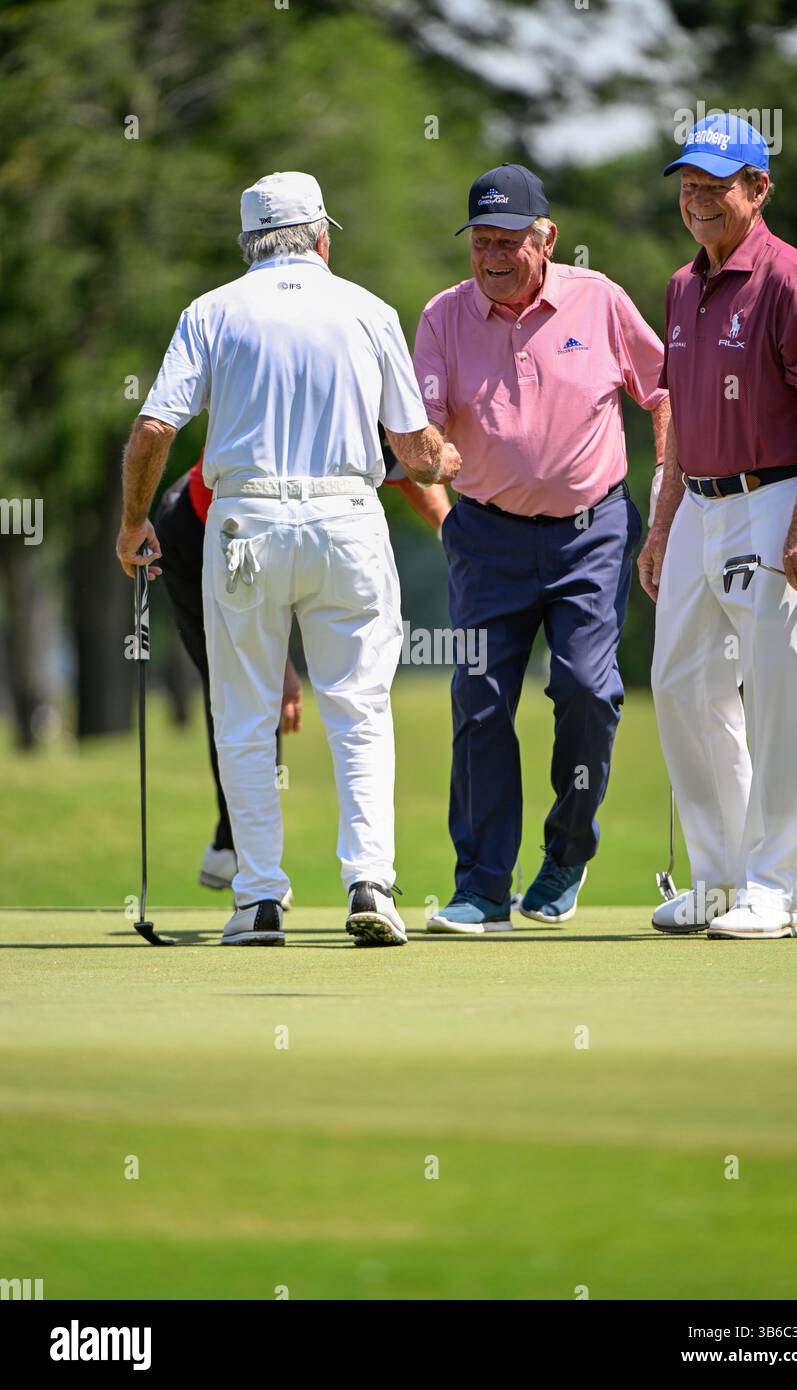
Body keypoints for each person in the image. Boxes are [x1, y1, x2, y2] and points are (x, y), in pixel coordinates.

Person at [116, 170, 459, 947]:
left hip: (246, 525)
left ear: (248, 245)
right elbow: (411, 450)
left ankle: (260, 900)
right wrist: (449, 460)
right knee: (360, 712)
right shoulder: (369, 309)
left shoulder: (212, 310)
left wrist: (134, 522)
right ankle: (370, 882)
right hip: (347, 520)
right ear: (322, 237)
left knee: (241, 717)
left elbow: (153, 431)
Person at [413, 162, 669, 934]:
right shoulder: (443, 316)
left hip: (592, 534)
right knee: (481, 701)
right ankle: (484, 886)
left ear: (546, 237)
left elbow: (664, 393)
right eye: (480, 241)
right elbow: (418, 425)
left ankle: (566, 854)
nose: (492, 256)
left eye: (508, 241)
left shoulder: (599, 299)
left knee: (588, 692)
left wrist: (666, 507)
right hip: (486, 538)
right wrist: (431, 462)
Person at [637, 115, 797, 940]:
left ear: (757, 189)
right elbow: (681, 421)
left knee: (776, 691)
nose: (697, 201)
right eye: (687, 187)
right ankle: (719, 876)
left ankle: (776, 887)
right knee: (684, 686)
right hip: (698, 502)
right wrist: (661, 526)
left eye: (714, 186)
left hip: (772, 497)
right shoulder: (681, 286)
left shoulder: (789, 278)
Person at [155, 437, 451, 897]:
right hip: (195, 530)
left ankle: (237, 855)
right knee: (243, 694)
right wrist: (281, 669)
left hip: (272, 540)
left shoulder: (357, 395)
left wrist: (447, 527)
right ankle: (242, 861)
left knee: (263, 692)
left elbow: (403, 463)